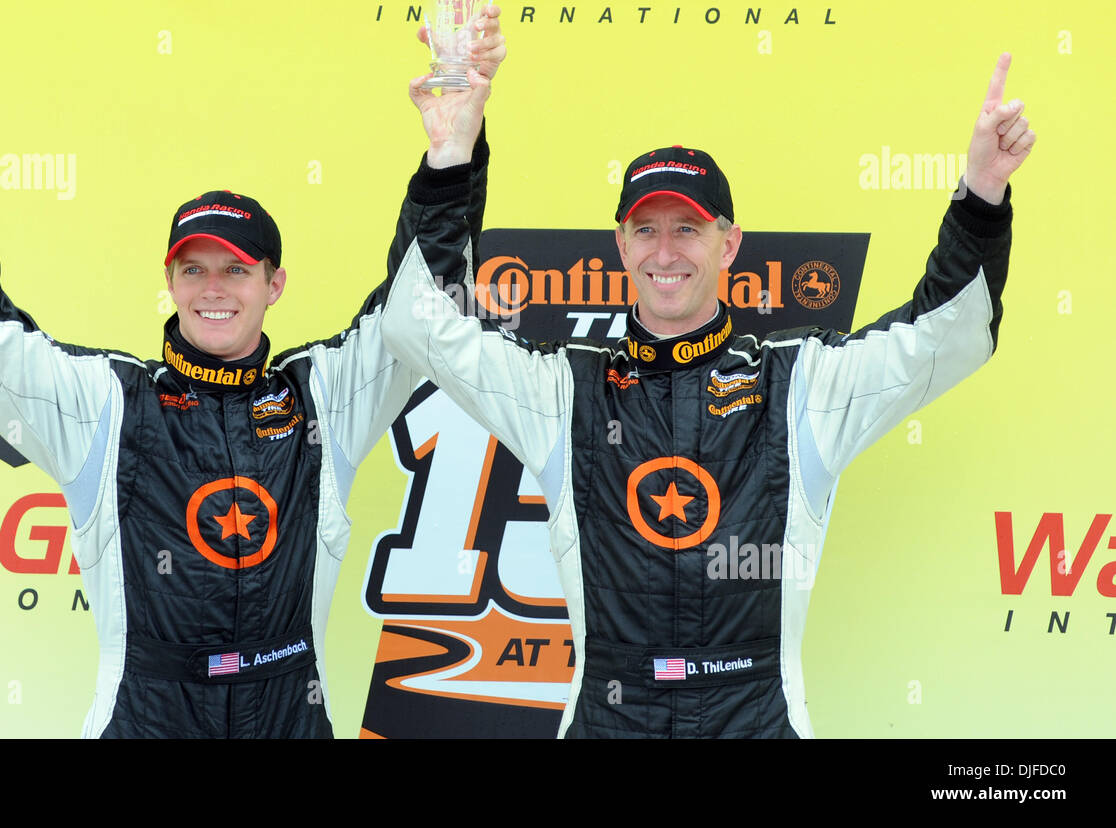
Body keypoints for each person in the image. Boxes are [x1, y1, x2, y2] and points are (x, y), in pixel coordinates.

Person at [384, 55, 1033, 737]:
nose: (666, 252)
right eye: (647, 229)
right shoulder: (563, 389)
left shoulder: (799, 383)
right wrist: (450, 154)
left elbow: (950, 333)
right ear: (621, 246)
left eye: (688, 228)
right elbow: (417, 319)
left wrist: (982, 193)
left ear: (730, 244)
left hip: (756, 716)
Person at [0, 10, 503, 737]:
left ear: (275, 283)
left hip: (289, 712)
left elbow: (418, 311)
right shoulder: (108, 402)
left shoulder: (322, 394)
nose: (213, 289)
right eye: (193, 270)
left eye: (235, 269)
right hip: (146, 715)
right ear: (170, 281)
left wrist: (452, 152)